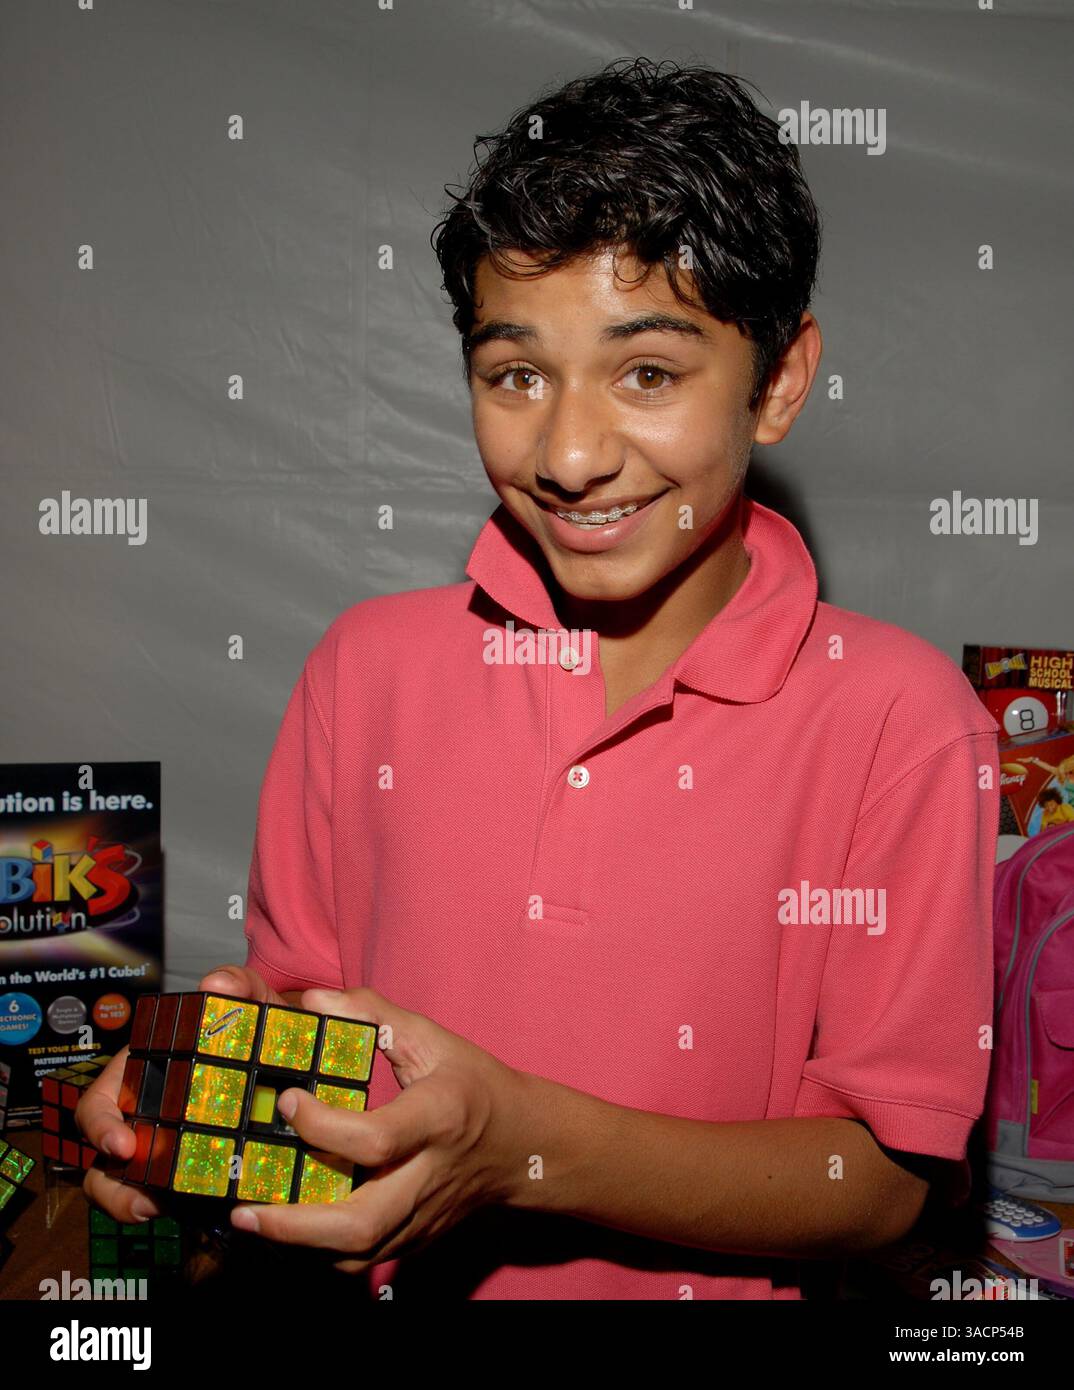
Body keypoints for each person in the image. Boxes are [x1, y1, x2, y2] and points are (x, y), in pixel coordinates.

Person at [77, 55, 1000, 1300]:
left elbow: (885, 1184)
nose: (568, 454)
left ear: (777, 380)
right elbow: (314, 1024)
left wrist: (524, 1150)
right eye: (516, 374)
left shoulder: (904, 724)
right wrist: (198, 1097)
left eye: (649, 373)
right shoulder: (365, 672)